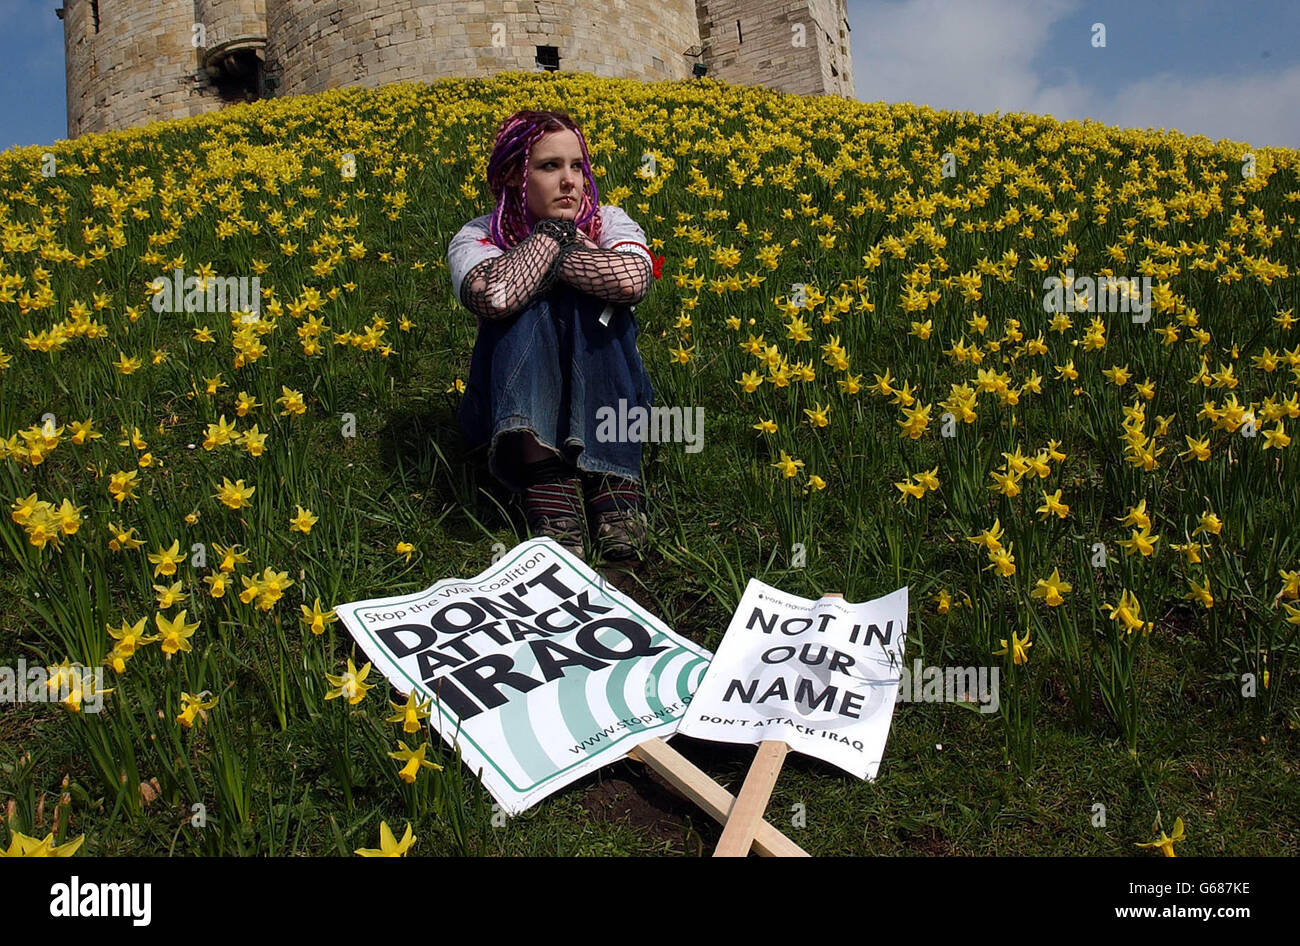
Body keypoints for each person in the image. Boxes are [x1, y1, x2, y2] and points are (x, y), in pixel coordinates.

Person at [447, 109, 662, 563]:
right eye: (550, 166)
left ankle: (612, 474)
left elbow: (630, 283)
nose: (570, 181)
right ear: (512, 176)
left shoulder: (611, 220)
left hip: (609, 397)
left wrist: (548, 254)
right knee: (527, 301)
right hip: (509, 406)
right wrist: (554, 236)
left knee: (597, 301)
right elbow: (497, 298)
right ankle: (542, 468)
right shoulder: (477, 235)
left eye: (577, 166)